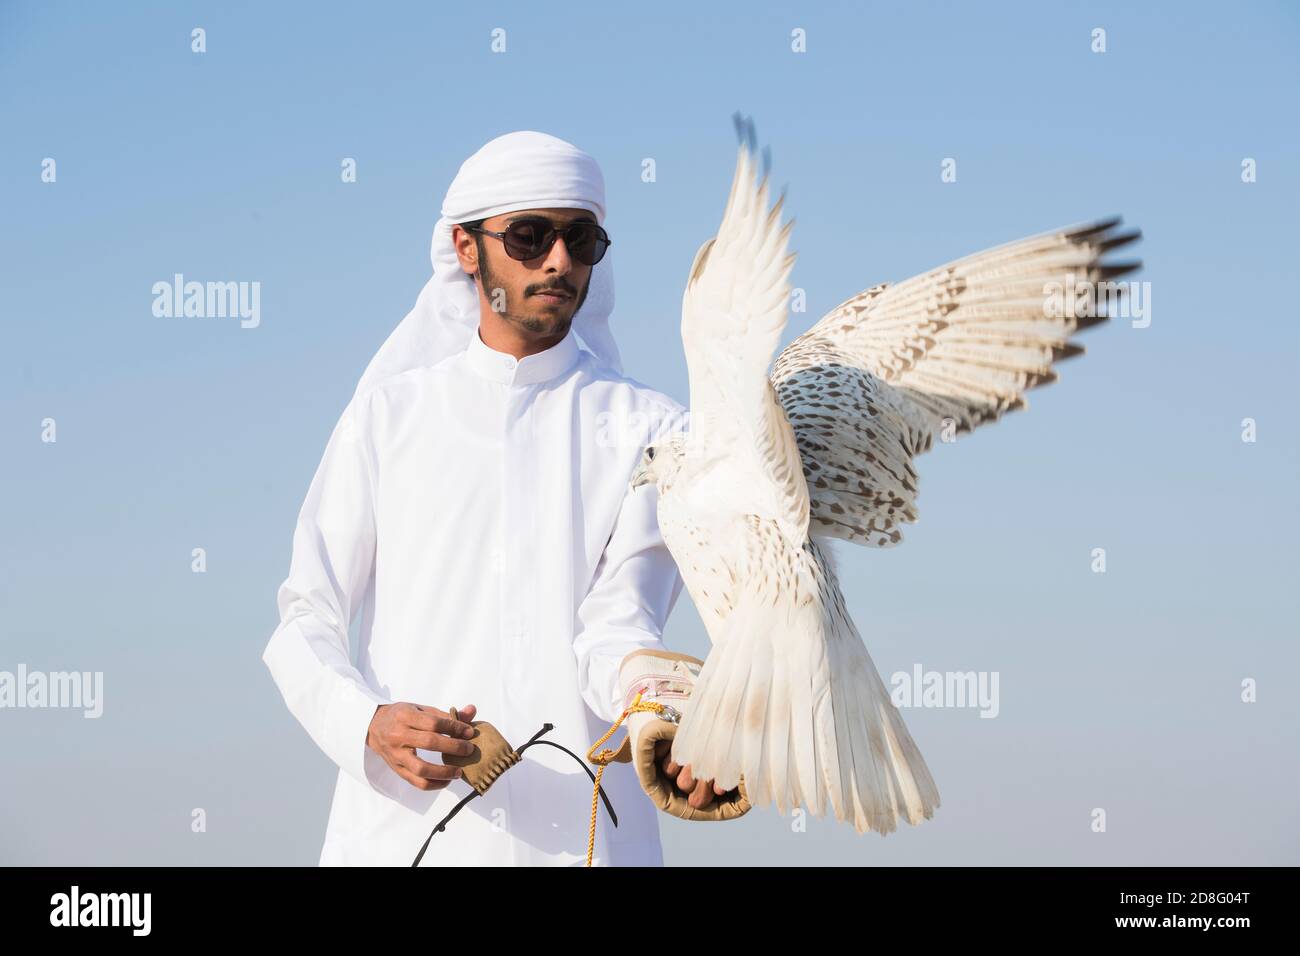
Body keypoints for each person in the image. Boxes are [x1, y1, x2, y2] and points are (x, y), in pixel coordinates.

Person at [261, 130, 735, 866]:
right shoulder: (387, 419)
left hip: (586, 841)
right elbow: (304, 618)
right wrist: (367, 724)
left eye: (581, 239)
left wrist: (666, 721)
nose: (558, 261)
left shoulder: (652, 432)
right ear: (465, 248)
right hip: (401, 840)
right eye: (529, 235)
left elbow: (619, 626)